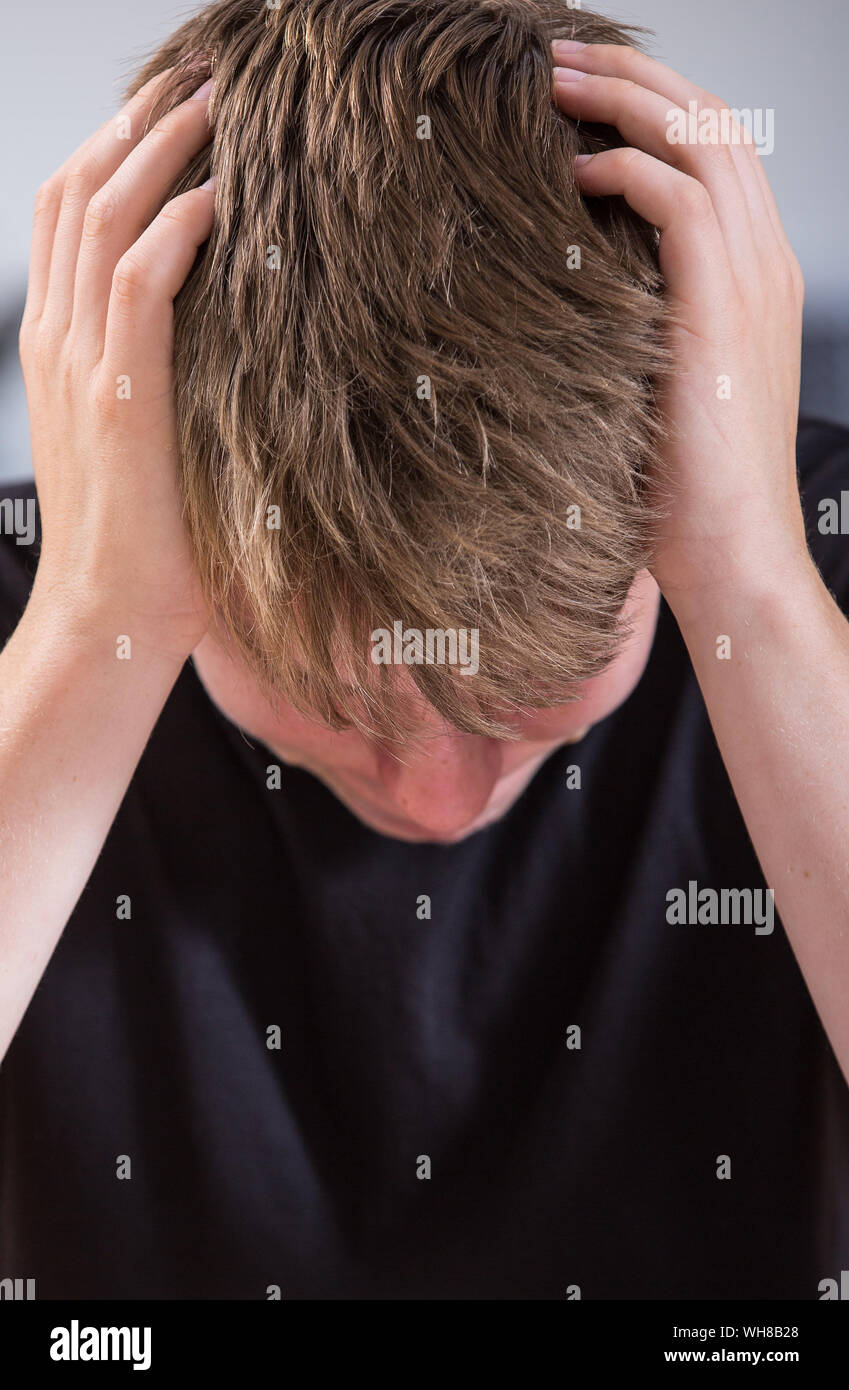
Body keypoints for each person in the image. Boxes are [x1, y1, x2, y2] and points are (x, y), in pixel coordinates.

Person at [1, 0, 848, 1300]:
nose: (436, 798)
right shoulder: (45, 623)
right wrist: (84, 628)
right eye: (320, 693)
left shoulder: (798, 575)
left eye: (530, 690)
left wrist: (754, 588)